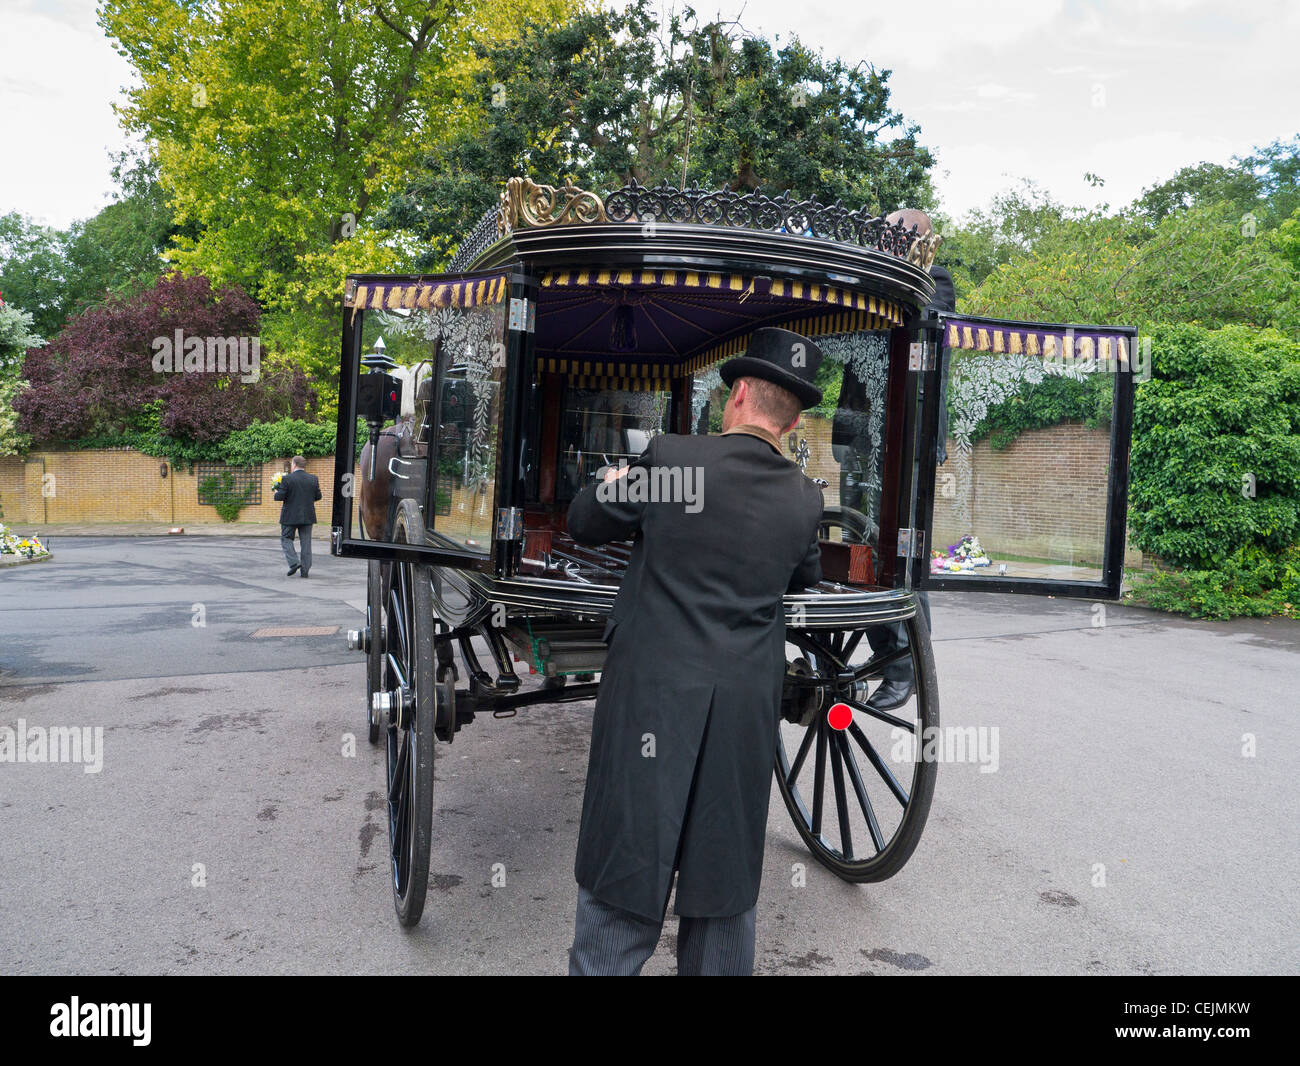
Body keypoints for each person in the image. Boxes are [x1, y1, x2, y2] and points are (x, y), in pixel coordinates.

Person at [566, 326, 826, 976]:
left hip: (651, 699)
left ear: (737, 395)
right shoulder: (805, 499)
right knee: (723, 881)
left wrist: (615, 479)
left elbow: (585, 521)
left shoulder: (676, 464)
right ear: (793, 420)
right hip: (743, 708)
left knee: (625, 871)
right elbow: (803, 578)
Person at [860, 209, 956, 711]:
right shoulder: (874, 280)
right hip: (864, 438)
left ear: (918, 241)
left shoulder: (934, 280)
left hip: (907, 440)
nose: (883, 243)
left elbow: (918, 323)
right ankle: (883, 654)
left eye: (891, 235)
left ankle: (908, 666)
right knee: (863, 548)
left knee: (901, 556)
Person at [274, 455, 322, 578]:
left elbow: (280, 496)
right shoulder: (313, 479)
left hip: (290, 516)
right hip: (307, 515)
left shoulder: (287, 479)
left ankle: (294, 562)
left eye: (291, 464)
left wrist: (276, 492)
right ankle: (305, 571)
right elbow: (318, 496)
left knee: (286, 539)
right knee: (306, 543)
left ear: (294, 464)